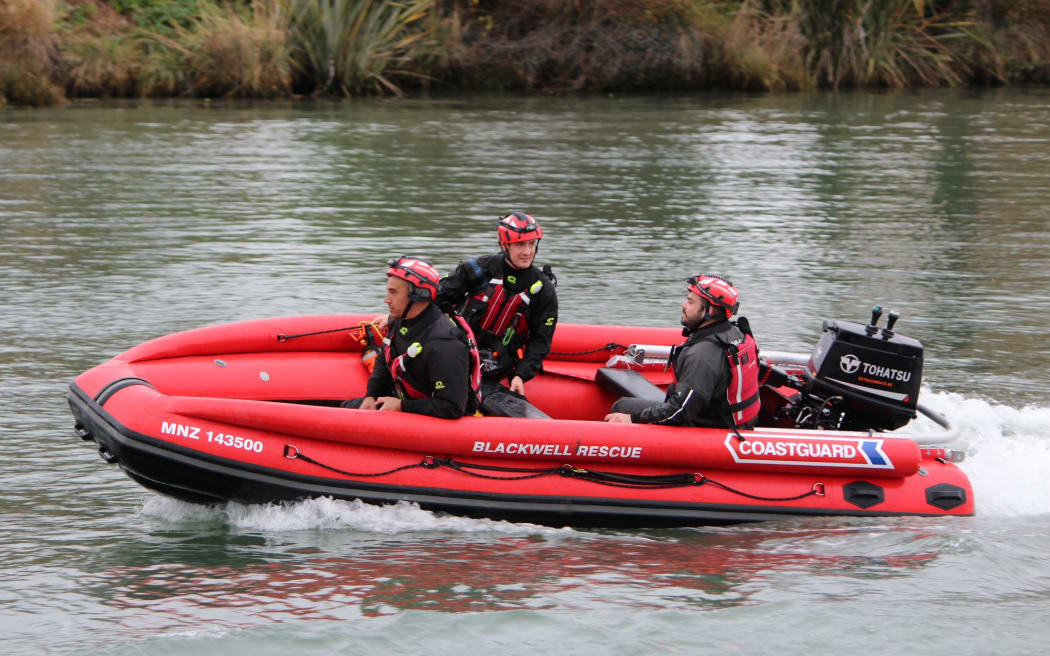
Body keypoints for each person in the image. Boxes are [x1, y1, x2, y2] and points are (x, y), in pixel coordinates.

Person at [434, 211, 558, 418]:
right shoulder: (478, 269)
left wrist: (521, 376)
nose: (527, 251)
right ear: (505, 246)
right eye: (520, 245)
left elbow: (541, 340)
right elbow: (437, 299)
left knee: (476, 373)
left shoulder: (543, 289)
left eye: (531, 244)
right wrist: (397, 318)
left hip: (497, 361)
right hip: (460, 347)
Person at [604, 273, 760, 429]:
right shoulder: (736, 333)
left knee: (621, 409)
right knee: (624, 405)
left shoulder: (703, 355)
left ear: (710, 311)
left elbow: (680, 412)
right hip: (726, 418)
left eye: (690, 301)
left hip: (710, 428)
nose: (683, 305)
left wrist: (632, 419)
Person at [342, 256, 481, 419]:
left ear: (418, 295)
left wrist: (402, 406)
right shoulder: (398, 321)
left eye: (393, 293)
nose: (386, 300)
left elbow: (452, 407)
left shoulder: (445, 344)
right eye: (388, 291)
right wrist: (371, 395)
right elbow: (384, 360)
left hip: (430, 418)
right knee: (343, 407)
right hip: (403, 401)